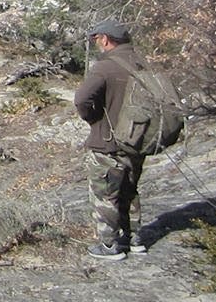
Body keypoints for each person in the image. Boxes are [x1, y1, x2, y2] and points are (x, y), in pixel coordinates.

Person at [74, 19, 150, 260]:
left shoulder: (105, 67)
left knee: (105, 193)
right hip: (138, 140)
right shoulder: (142, 62)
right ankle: (134, 239)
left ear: (105, 39)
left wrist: (93, 119)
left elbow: (81, 100)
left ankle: (109, 245)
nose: (96, 43)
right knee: (129, 188)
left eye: (97, 39)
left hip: (108, 141)